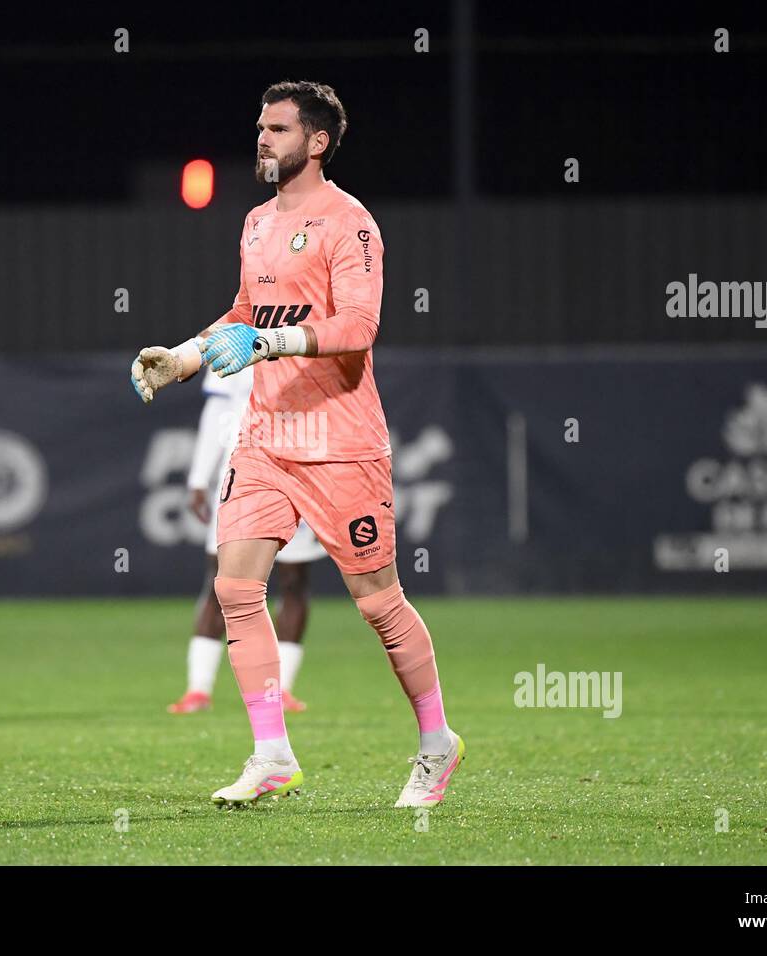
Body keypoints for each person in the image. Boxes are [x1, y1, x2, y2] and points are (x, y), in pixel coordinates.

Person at [130, 81, 462, 808]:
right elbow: (246, 314)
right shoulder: (253, 223)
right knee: (235, 587)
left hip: (341, 442)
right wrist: (185, 357)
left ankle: (437, 742)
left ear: (316, 142)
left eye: (278, 129)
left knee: (378, 603)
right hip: (265, 439)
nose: (262, 139)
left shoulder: (353, 224)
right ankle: (271, 754)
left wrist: (269, 342)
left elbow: (358, 327)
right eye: (260, 127)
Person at [168, 363, 326, 715]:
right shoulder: (239, 337)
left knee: (294, 579)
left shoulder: (314, 337)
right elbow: (218, 410)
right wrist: (199, 477)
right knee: (221, 581)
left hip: (298, 471)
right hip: (241, 472)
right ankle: (198, 689)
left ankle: (281, 689)